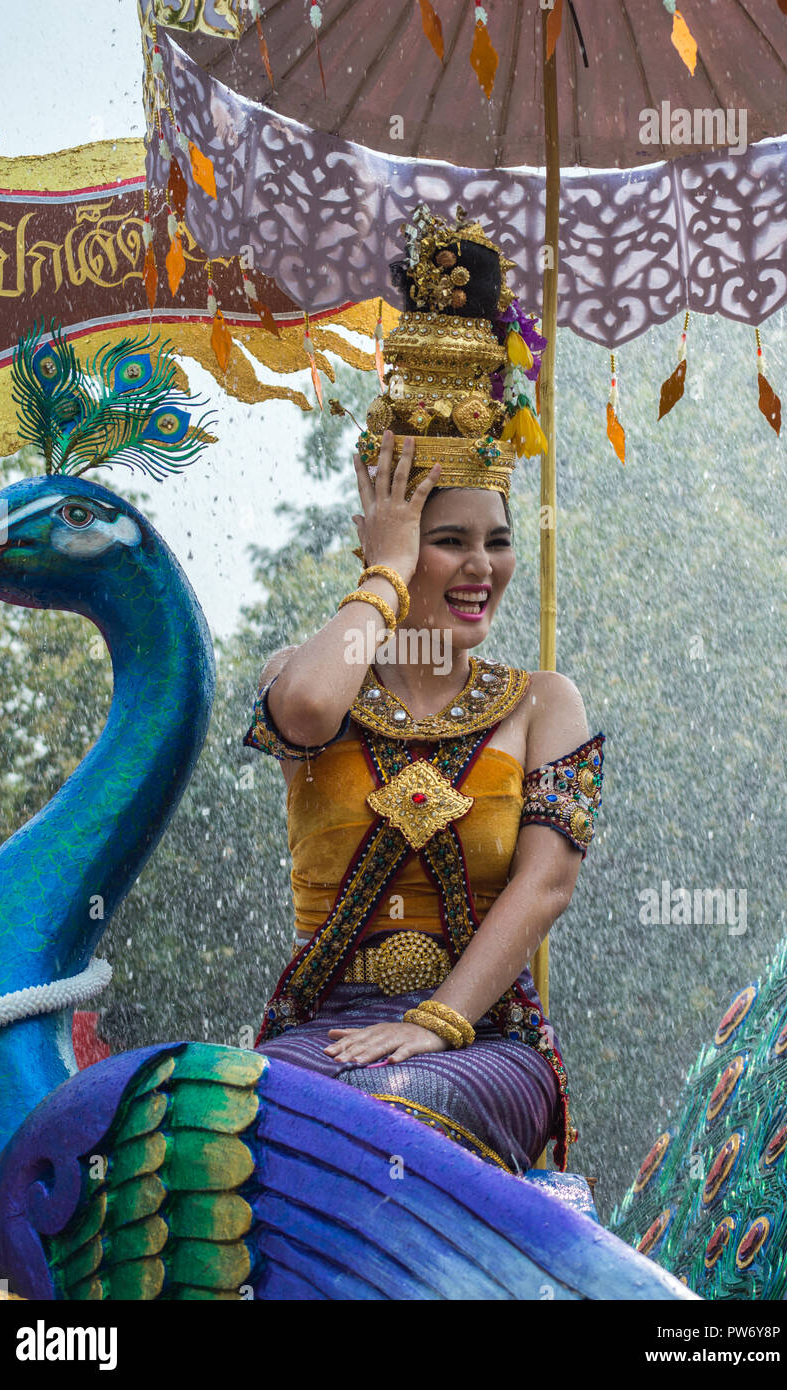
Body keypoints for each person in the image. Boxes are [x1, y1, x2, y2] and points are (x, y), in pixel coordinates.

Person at [243, 205, 605, 1174]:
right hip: (321, 1030)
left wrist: (441, 1022)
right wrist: (385, 571)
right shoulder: (306, 671)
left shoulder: (542, 703)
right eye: (451, 540)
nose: (482, 565)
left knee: (396, 1111)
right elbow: (310, 714)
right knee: (219, 1123)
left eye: (496, 538)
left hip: (478, 1041)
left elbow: (547, 883)